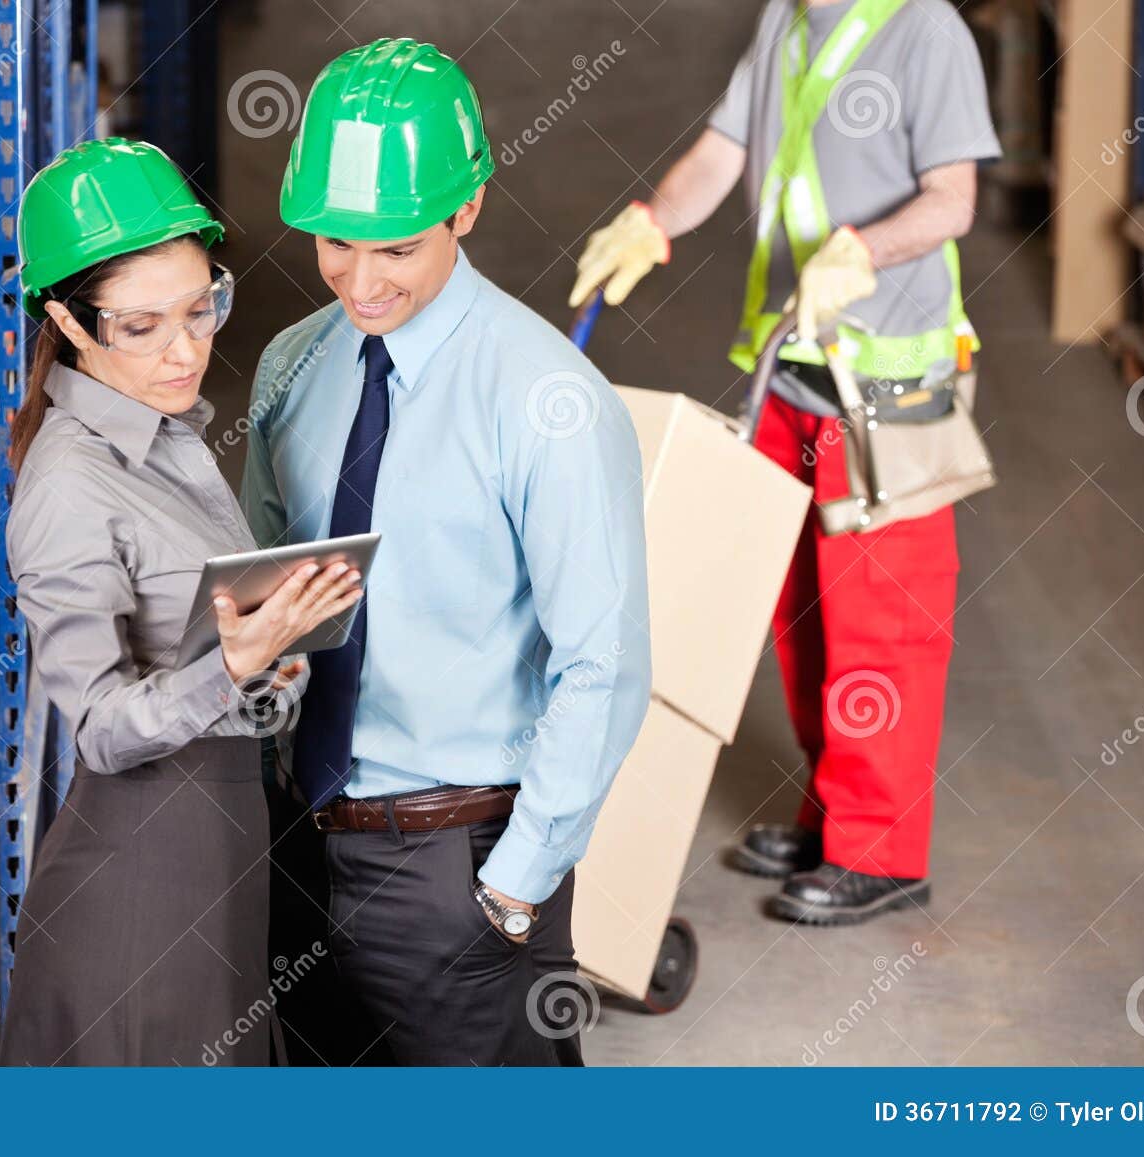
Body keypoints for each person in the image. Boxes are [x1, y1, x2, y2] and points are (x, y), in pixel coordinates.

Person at [242, 38, 651, 1066]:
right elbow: (262, 588)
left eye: (396, 247)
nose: (361, 280)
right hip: (302, 837)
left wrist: (515, 883)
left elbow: (603, 663)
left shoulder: (544, 401)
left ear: (466, 209)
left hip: (454, 860)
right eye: (336, 242)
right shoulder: (294, 366)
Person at [571, 0, 1000, 925]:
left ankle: (880, 850)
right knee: (802, 612)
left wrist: (865, 250)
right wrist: (654, 220)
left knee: (881, 623)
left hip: (882, 383)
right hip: (790, 366)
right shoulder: (790, 20)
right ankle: (834, 811)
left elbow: (953, 198)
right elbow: (724, 149)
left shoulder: (928, 32)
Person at [0, 138, 362, 1066]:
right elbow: (102, 730)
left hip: (222, 863)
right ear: (71, 325)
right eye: (143, 326)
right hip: (138, 898)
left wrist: (273, 662)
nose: (185, 348)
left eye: (202, 309)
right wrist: (233, 664)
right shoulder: (69, 486)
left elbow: (212, 659)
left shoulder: (170, 437)